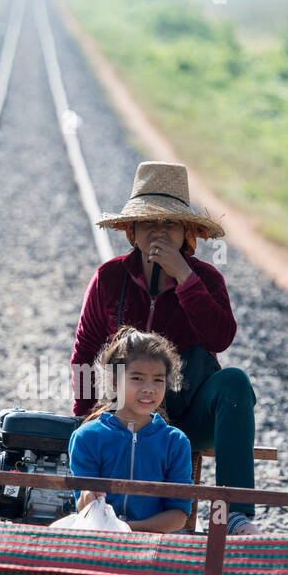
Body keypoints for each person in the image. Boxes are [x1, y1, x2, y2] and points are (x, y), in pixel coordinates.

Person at [70, 160, 257, 535]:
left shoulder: (206, 278)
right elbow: (86, 351)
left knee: (235, 384)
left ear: (186, 233)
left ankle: (235, 515)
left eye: (169, 223)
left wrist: (184, 277)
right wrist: (83, 418)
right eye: (149, 223)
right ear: (132, 231)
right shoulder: (109, 278)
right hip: (125, 414)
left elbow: (220, 338)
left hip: (187, 417)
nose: (159, 232)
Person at [68, 326, 192, 534]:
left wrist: (128, 530)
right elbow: (84, 506)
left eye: (158, 380)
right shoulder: (87, 437)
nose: (149, 388)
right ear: (114, 382)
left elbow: (178, 514)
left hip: (154, 541)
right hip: (99, 536)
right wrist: (89, 497)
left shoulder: (175, 442)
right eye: (137, 378)